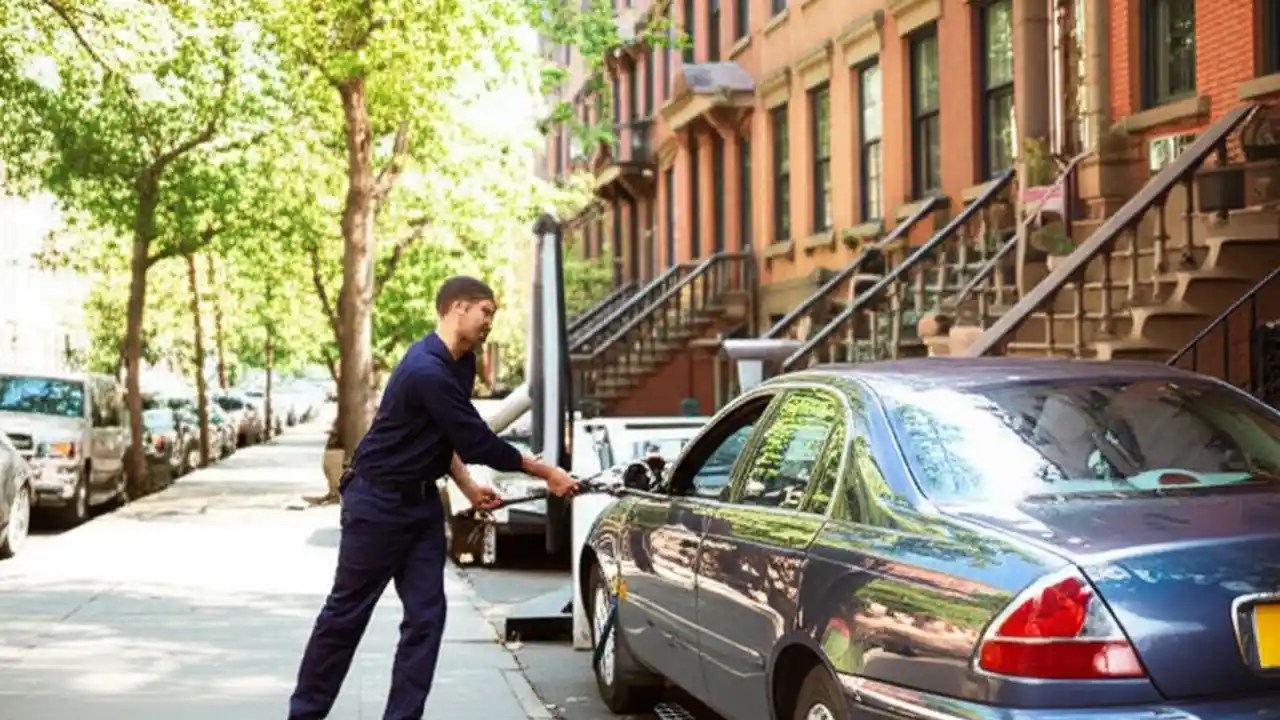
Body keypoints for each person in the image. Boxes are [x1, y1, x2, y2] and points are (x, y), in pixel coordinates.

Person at [288, 275, 579, 720]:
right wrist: (546, 473)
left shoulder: (462, 363)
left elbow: (444, 436)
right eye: (486, 312)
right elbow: (480, 443)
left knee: (426, 618)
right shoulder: (425, 368)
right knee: (346, 617)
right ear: (458, 308)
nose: (489, 323)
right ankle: (305, 715)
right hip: (377, 503)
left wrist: (466, 485)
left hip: (421, 506)